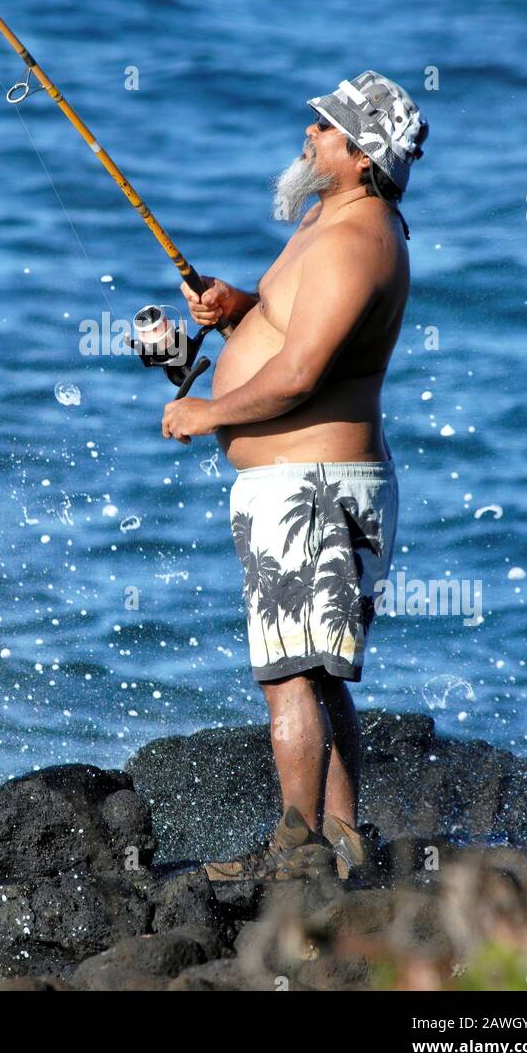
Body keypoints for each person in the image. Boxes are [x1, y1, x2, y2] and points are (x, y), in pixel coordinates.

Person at [161, 71, 428, 881]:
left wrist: (207, 413)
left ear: (360, 156)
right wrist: (237, 307)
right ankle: (341, 841)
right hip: (305, 484)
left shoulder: (355, 243)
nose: (308, 135)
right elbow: (290, 330)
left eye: (326, 129)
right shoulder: (330, 221)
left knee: (287, 676)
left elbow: (302, 373)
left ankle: (297, 850)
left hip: (310, 487)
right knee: (314, 669)